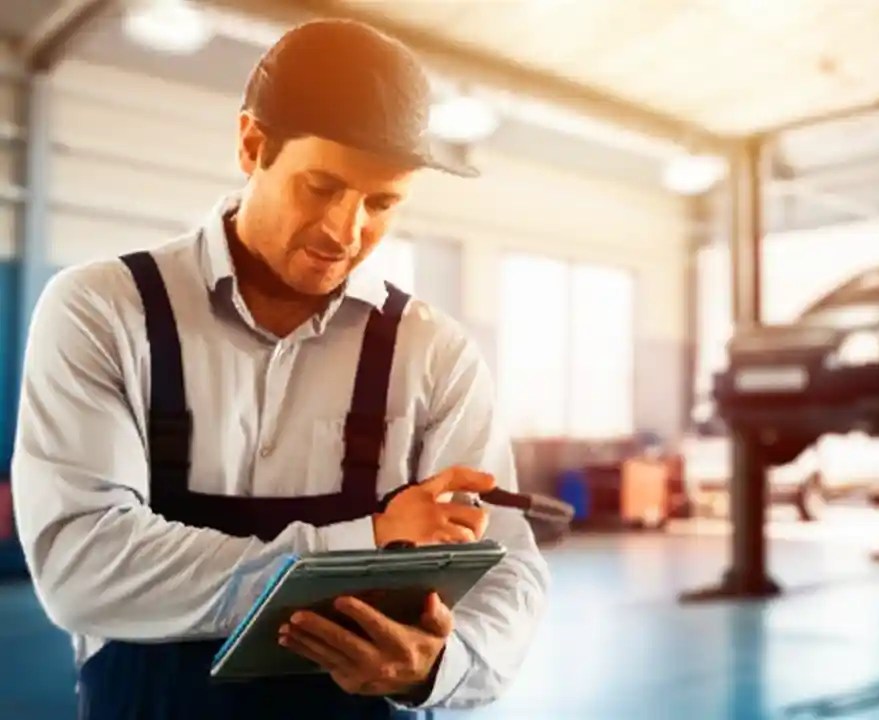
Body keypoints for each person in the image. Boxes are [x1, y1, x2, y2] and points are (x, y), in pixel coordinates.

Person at [10, 18, 548, 719]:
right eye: (322, 185)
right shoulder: (104, 312)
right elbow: (83, 568)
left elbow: (507, 572)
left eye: (381, 202)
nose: (346, 232)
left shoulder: (433, 355)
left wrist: (438, 666)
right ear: (252, 144)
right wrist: (370, 541)